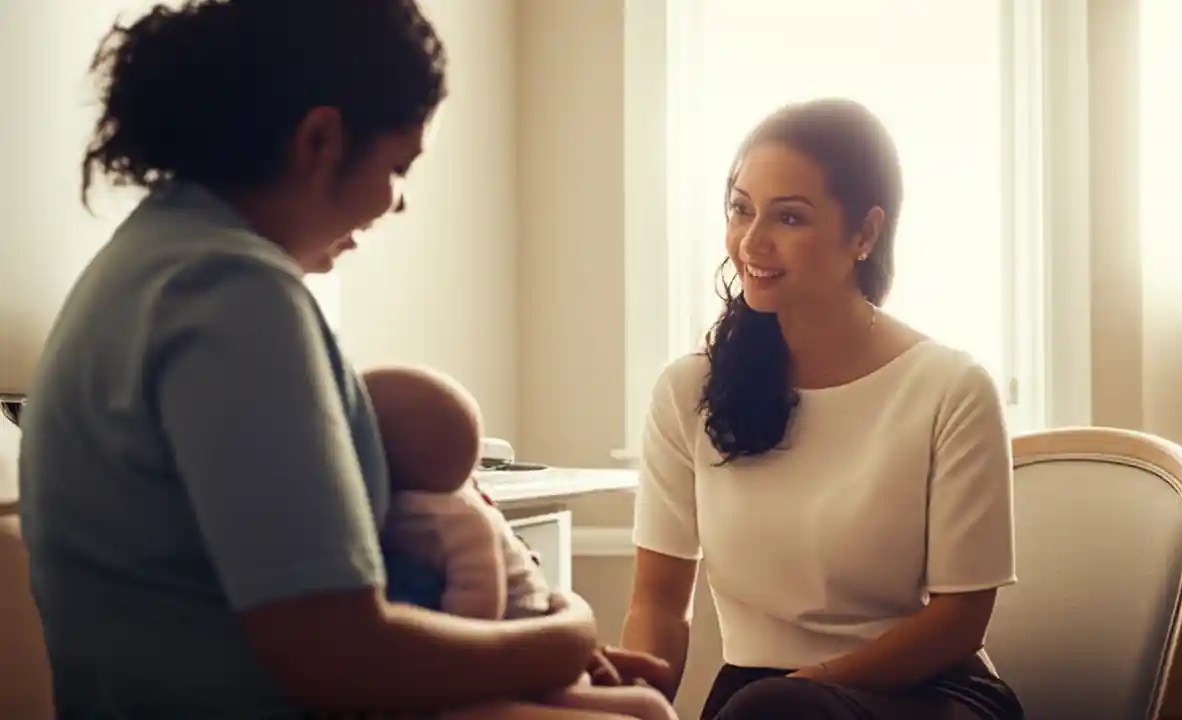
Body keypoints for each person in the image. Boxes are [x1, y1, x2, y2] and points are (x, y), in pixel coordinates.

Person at [17, 1, 653, 717]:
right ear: (320, 140)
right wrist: (566, 632)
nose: (398, 204)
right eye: (397, 166)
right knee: (647, 713)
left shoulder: (146, 263)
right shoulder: (235, 296)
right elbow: (342, 656)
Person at [618, 98, 1026, 719]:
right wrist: (631, 710)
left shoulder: (950, 387)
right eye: (740, 209)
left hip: (926, 693)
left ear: (864, 233)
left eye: (789, 218)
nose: (751, 241)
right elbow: (657, 604)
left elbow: (959, 620)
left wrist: (807, 687)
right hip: (761, 701)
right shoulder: (687, 390)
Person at [364, 365, 678, 720]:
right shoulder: (430, 507)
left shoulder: (450, 515)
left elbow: (481, 590)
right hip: (510, 658)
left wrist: (468, 657)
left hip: (507, 654)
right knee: (646, 709)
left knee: (652, 707)